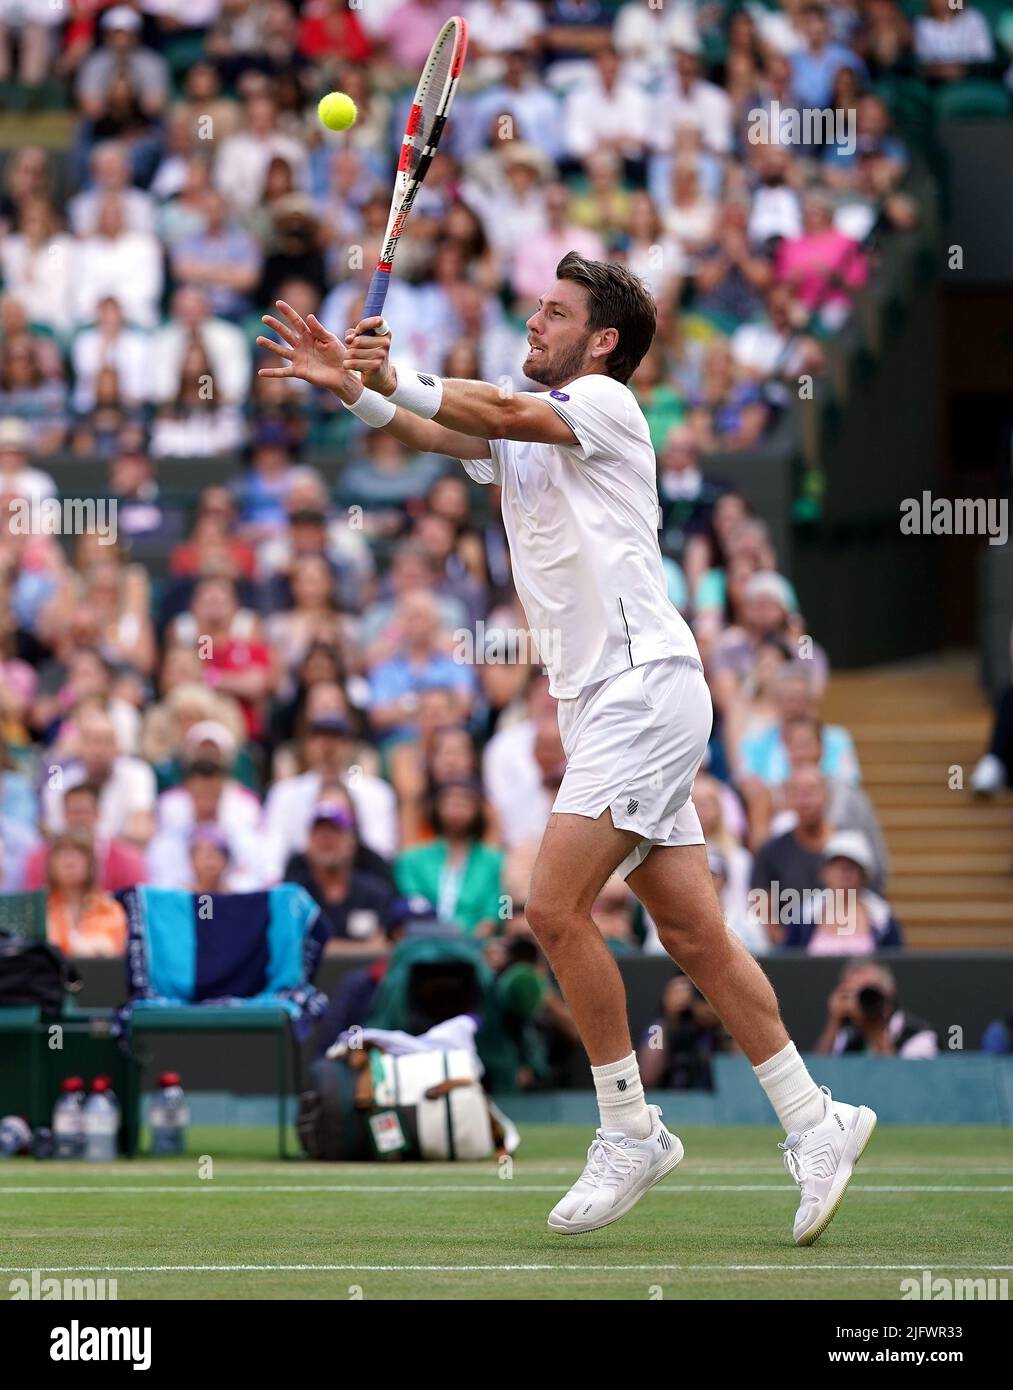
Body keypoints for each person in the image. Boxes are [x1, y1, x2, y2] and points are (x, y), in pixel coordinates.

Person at [258, 256, 877, 1246]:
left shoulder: (602, 404)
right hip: (608, 705)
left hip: (640, 689)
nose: (535, 318)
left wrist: (391, 368)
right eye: (537, 305)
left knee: (550, 907)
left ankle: (628, 1126)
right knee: (694, 936)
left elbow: (496, 410)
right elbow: (440, 429)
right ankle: (816, 1119)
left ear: (599, 342)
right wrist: (359, 389)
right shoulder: (530, 428)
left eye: (556, 311)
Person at [814, 960, 939, 1058]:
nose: (864, 1001)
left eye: (870, 993)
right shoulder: (846, 1038)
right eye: (855, 994)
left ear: (889, 994)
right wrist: (834, 1022)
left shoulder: (920, 1038)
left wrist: (875, 1031)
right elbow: (818, 1079)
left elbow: (909, 1085)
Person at [45, 830, 128, 957]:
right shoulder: (40, 908)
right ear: (51, 863)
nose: (69, 862)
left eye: (77, 854)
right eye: (62, 854)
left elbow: (113, 948)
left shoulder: (108, 908)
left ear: (90, 863)